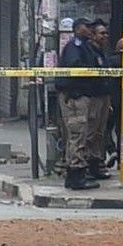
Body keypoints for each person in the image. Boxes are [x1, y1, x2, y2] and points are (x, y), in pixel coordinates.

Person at [51, 17, 100, 190]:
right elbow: (76, 68)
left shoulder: (85, 46)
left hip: (80, 96)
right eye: (87, 27)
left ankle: (75, 175)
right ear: (78, 28)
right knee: (77, 135)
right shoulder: (75, 47)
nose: (90, 30)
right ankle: (76, 174)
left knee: (81, 134)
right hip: (74, 97)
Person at [89, 20, 119, 174]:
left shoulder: (103, 54)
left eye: (106, 33)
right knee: (94, 132)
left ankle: (99, 162)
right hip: (93, 98)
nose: (105, 36)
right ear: (93, 35)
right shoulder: (90, 52)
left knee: (101, 132)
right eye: (101, 33)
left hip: (105, 98)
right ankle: (93, 164)